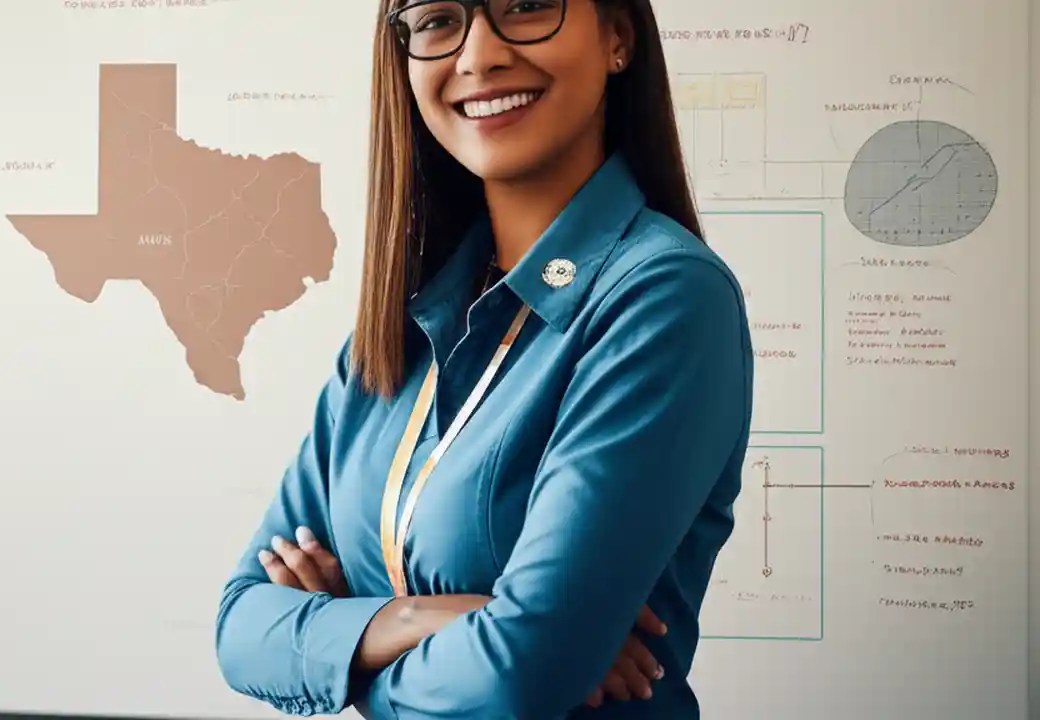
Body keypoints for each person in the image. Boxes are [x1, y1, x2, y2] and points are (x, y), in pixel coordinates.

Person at [214, 0, 753, 716]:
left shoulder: (664, 298)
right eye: (438, 19)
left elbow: (518, 678)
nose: (479, 55)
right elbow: (240, 629)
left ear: (618, 38)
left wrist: (335, 651)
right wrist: (418, 618)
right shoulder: (399, 327)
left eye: (526, 6)